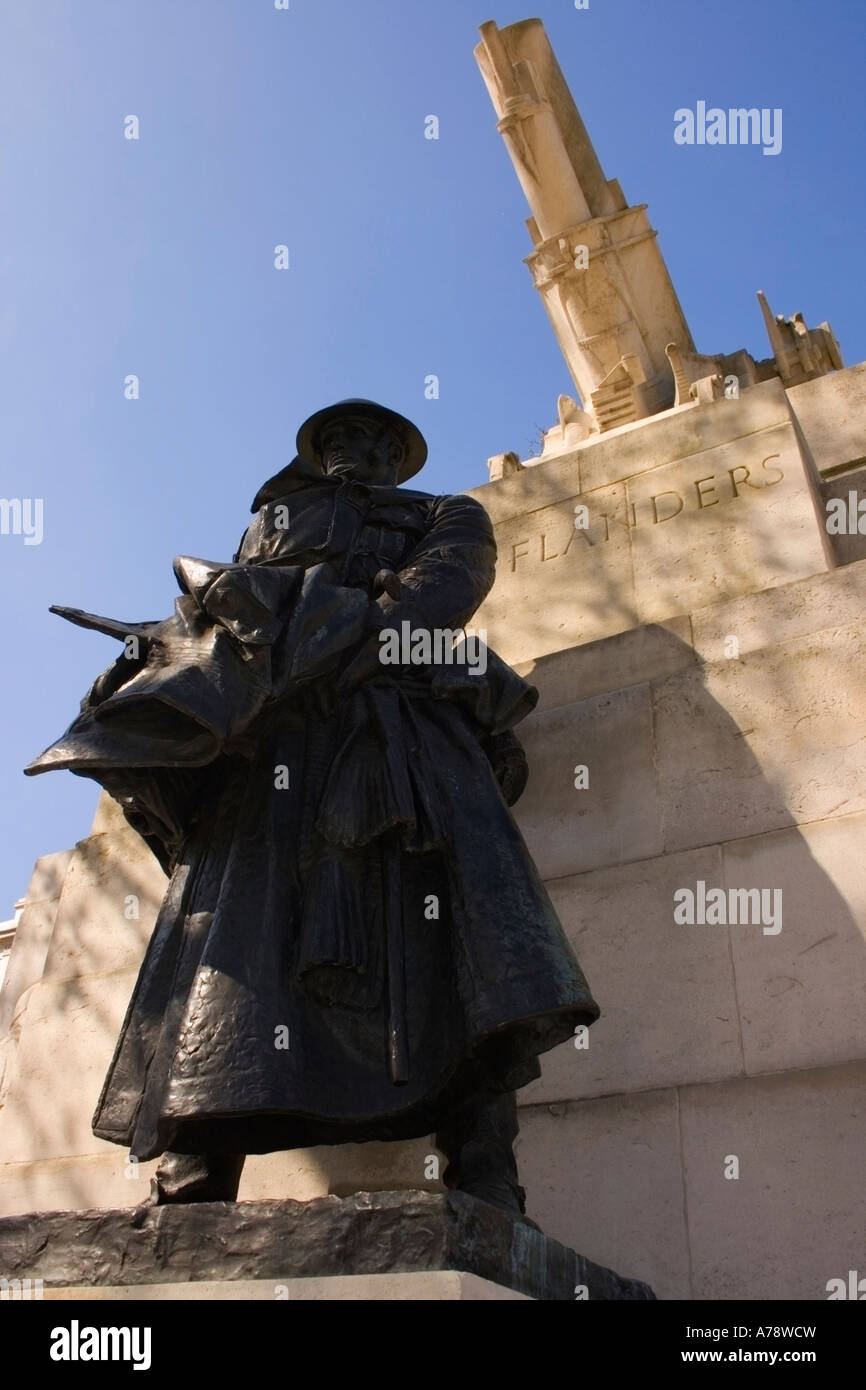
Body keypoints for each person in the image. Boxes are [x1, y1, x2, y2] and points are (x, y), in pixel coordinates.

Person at [26, 399, 599, 1217]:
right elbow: (218, 617)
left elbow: (440, 595)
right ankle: (191, 1179)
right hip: (274, 746)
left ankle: (486, 1173)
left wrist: (327, 635)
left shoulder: (446, 513)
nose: (347, 452)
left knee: (464, 945)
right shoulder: (271, 524)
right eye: (333, 440)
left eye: (367, 440)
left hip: (398, 730)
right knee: (231, 945)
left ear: (396, 455)